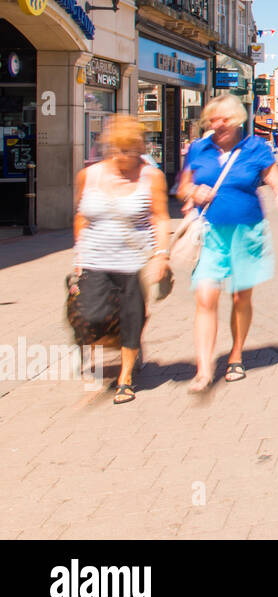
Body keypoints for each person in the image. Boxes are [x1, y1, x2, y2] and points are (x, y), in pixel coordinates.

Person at [177, 94, 278, 391]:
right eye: (212, 120)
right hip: (210, 233)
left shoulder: (256, 148)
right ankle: (204, 369)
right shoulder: (198, 148)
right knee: (205, 298)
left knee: (241, 298)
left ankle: (236, 355)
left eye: (224, 119)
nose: (218, 125)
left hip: (247, 233)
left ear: (238, 120)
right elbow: (181, 187)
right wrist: (193, 192)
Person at [71, 116, 171, 404]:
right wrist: (78, 252)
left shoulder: (151, 176)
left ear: (139, 149)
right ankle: (118, 345)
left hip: (134, 262)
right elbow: (81, 214)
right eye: (116, 149)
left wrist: (161, 255)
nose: (122, 157)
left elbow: (160, 217)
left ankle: (125, 378)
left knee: (131, 317)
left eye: (129, 151)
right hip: (94, 260)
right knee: (91, 317)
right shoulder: (88, 175)